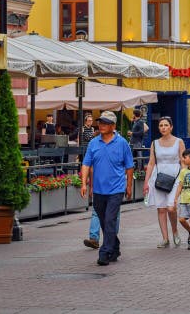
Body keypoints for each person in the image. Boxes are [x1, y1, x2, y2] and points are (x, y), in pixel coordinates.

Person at [80, 111, 133, 266]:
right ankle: (115, 247)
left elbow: (129, 166)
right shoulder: (93, 143)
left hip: (116, 189)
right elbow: (86, 164)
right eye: (100, 122)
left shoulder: (122, 143)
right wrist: (84, 183)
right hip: (98, 190)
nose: (101, 125)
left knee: (110, 220)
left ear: (113, 126)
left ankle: (105, 252)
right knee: (104, 221)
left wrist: (128, 186)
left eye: (105, 123)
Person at [143, 116, 184, 248]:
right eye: (161, 125)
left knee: (171, 208)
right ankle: (165, 239)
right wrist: (146, 182)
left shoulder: (179, 142)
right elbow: (151, 163)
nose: (163, 128)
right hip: (159, 178)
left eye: (166, 125)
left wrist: (184, 179)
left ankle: (175, 230)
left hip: (175, 177)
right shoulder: (154, 143)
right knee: (161, 209)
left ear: (171, 127)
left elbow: (183, 162)